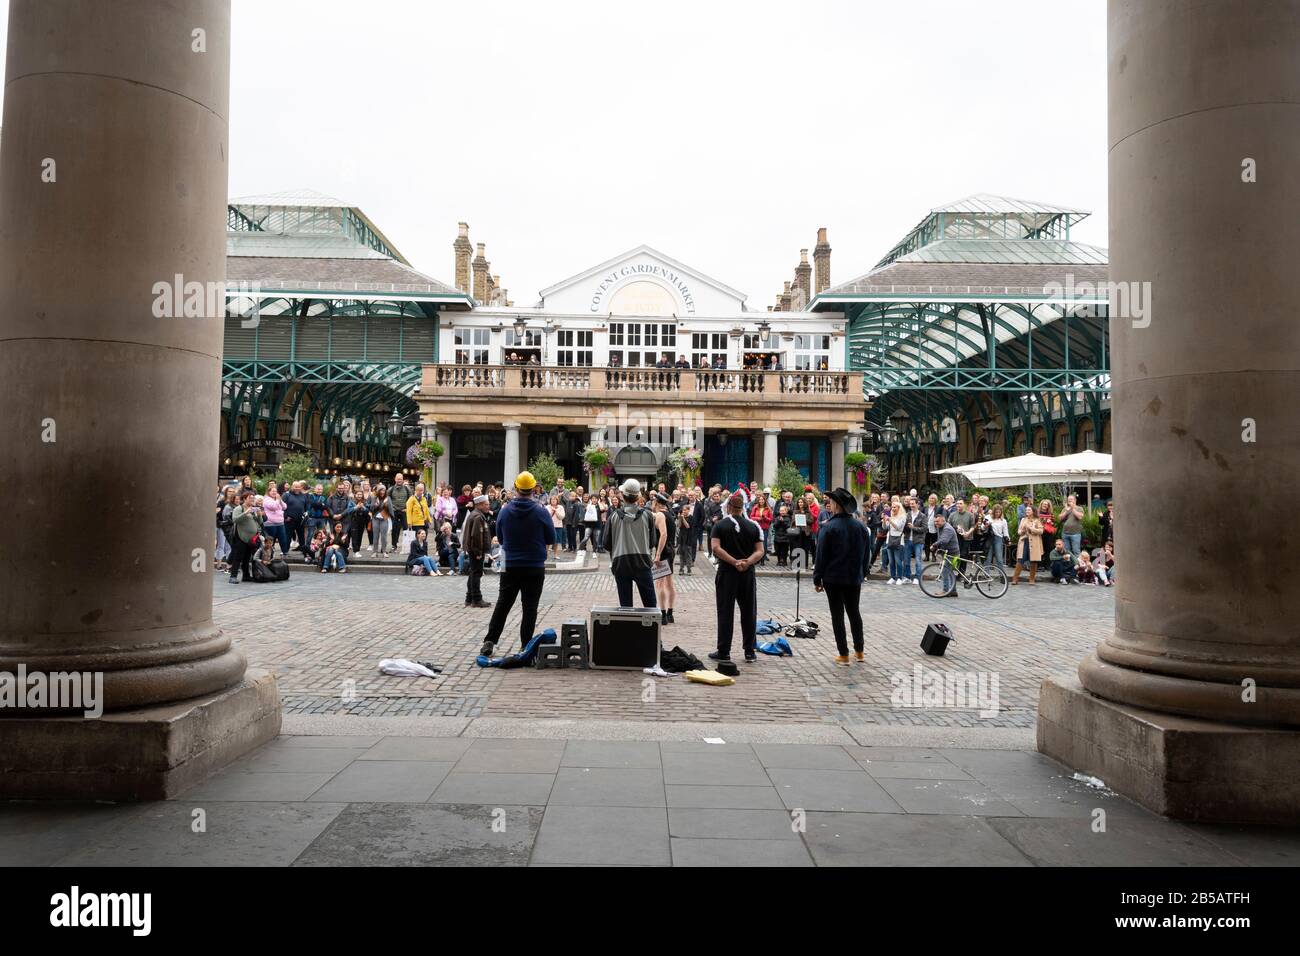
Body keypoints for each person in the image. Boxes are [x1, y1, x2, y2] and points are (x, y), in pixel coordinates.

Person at [480, 471, 555, 657]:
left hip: (510, 564)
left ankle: (489, 641)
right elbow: (551, 537)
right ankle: (525, 646)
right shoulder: (541, 511)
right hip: (534, 565)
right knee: (530, 607)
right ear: (533, 489)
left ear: (516, 488)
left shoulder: (505, 510)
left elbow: (501, 538)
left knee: (503, 604)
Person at [814, 488, 868, 666]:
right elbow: (867, 553)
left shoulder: (828, 527)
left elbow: (821, 555)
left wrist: (817, 578)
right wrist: (863, 571)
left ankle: (843, 654)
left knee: (837, 615)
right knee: (854, 612)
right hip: (854, 577)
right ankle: (859, 651)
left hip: (833, 578)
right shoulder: (860, 526)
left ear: (836, 505)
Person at [709, 492, 764, 664]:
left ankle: (724, 650)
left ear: (729, 507)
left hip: (727, 572)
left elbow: (716, 548)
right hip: (747, 573)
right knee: (749, 611)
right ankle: (750, 651)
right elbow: (760, 551)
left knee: (725, 611)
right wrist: (747, 562)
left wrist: (734, 562)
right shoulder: (753, 526)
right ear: (743, 507)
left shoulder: (720, 525)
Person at [605, 479, 657, 609]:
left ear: (622, 495)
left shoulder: (613, 516)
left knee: (626, 606)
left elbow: (606, 543)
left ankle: (628, 629)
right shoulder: (648, 515)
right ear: (638, 496)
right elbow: (652, 542)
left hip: (621, 562)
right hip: (642, 561)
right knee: (650, 605)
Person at [462, 494, 493, 607]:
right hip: (476, 551)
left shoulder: (476, 515)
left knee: (473, 573)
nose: (488, 506)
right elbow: (476, 536)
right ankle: (477, 599)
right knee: (476, 574)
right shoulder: (478, 517)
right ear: (479, 505)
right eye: (486, 504)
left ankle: (469, 598)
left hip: (473, 550)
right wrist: (478, 552)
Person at [650, 492, 676, 624]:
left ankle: (663, 614)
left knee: (660, 583)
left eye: (653, 502)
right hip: (671, 551)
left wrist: (658, 554)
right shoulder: (669, 515)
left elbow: (663, 535)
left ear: (657, 503)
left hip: (664, 552)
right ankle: (670, 613)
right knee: (669, 583)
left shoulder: (660, 515)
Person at [227, 490, 260, 584]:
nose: (252, 499)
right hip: (241, 537)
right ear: (245, 499)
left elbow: (259, 522)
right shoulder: (239, 508)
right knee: (238, 557)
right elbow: (235, 519)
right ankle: (233, 576)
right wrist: (245, 513)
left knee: (247, 558)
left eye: (253, 498)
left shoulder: (253, 508)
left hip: (251, 539)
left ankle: (246, 576)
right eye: (250, 498)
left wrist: (259, 515)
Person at [1011, 507, 1044, 585]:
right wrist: (1022, 531)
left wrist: (1032, 529)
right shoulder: (1023, 520)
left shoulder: (1037, 520)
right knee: (1020, 560)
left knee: (1034, 560)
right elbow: (1019, 531)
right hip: (1024, 541)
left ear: (1033, 511)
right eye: (1026, 510)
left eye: (1029, 510)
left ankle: (1032, 579)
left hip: (1034, 542)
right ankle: (1015, 579)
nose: (1027, 511)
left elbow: (1041, 531)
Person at [932, 512, 961, 597]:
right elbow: (941, 539)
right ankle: (953, 591)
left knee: (945, 571)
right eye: (935, 521)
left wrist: (934, 545)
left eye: (937, 521)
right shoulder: (940, 527)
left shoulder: (947, 528)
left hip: (953, 554)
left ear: (943, 520)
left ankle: (945, 591)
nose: (935, 523)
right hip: (948, 552)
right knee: (950, 572)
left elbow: (944, 540)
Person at [261, 484, 288, 555]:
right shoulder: (266, 499)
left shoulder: (277, 499)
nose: (274, 493)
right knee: (270, 540)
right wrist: (278, 500)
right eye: (273, 491)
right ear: (268, 492)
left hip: (280, 523)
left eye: (275, 491)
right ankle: (268, 554)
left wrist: (280, 500)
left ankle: (285, 553)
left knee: (283, 539)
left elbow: (285, 507)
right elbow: (274, 507)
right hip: (270, 524)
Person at [885, 499, 907, 584]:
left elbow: (898, 527)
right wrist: (884, 519)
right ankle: (892, 577)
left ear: (899, 508)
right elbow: (885, 527)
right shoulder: (891, 516)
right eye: (892, 507)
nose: (892, 508)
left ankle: (899, 578)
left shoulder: (903, 517)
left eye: (894, 507)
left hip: (898, 540)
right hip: (889, 540)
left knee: (898, 561)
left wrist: (889, 520)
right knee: (891, 561)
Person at [282, 481, 308, 553]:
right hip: (289, 519)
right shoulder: (286, 495)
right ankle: (285, 551)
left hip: (300, 520)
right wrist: (285, 516)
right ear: (292, 487)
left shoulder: (303, 495)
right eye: (296, 487)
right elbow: (282, 507)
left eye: (299, 487)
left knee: (301, 536)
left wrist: (305, 515)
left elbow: (306, 507)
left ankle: (304, 552)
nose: (297, 488)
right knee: (288, 536)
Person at [389, 472, 412, 549]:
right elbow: (387, 499)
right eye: (398, 479)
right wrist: (391, 507)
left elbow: (411, 499)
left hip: (404, 511)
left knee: (406, 528)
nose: (399, 480)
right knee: (394, 528)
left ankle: (406, 545)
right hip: (394, 511)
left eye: (401, 479)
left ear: (403, 480)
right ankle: (394, 545)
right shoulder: (391, 489)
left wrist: (407, 508)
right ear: (395, 479)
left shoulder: (407, 489)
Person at [370, 486, 393, 558]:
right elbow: (371, 508)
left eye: (383, 491)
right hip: (376, 518)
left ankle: (384, 552)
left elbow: (391, 508)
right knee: (375, 536)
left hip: (384, 518)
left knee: (384, 536)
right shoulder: (374, 498)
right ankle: (374, 552)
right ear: (378, 491)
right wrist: (375, 506)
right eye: (381, 491)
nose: (382, 492)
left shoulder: (388, 498)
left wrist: (387, 505)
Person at [1059, 495, 1085, 559]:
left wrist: (1072, 508)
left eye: (1071, 499)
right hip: (1065, 533)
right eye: (1068, 499)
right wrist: (1066, 511)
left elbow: (1080, 517)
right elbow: (1060, 518)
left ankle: (1077, 566)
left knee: (1076, 551)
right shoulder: (1065, 509)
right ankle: (1068, 566)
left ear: (1075, 500)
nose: (1069, 500)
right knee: (1067, 551)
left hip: (1075, 533)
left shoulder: (1079, 508)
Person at [985, 504, 1009, 569]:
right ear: (993, 512)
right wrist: (986, 525)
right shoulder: (988, 517)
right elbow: (982, 527)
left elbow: (1005, 532)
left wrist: (1008, 539)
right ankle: (986, 575)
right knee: (988, 557)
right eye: (996, 512)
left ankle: (1002, 576)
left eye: (999, 512)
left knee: (999, 558)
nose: (997, 513)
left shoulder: (1003, 520)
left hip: (998, 538)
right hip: (989, 538)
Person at [772, 502, 793, 568]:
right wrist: (779, 521)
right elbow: (775, 526)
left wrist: (783, 522)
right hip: (777, 537)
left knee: (784, 550)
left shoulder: (789, 518)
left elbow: (788, 527)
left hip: (785, 537)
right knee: (777, 550)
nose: (782, 512)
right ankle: (779, 561)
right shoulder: (777, 518)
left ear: (786, 511)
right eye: (780, 511)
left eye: (783, 511)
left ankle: (784, 561)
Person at [546, 494, 566, 559]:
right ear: (550, 500)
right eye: (552, 499)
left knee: (556, 541)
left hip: (558, 526)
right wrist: (552, 511)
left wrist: (556, 511)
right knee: (547, 541)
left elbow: (562, 517)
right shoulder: (547, 507)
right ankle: (545, 554)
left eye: (555, 499)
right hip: (549, 526)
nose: (553, 501)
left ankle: (555, 555)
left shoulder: (560, 507)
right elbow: (546, 516)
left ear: (557, 500)